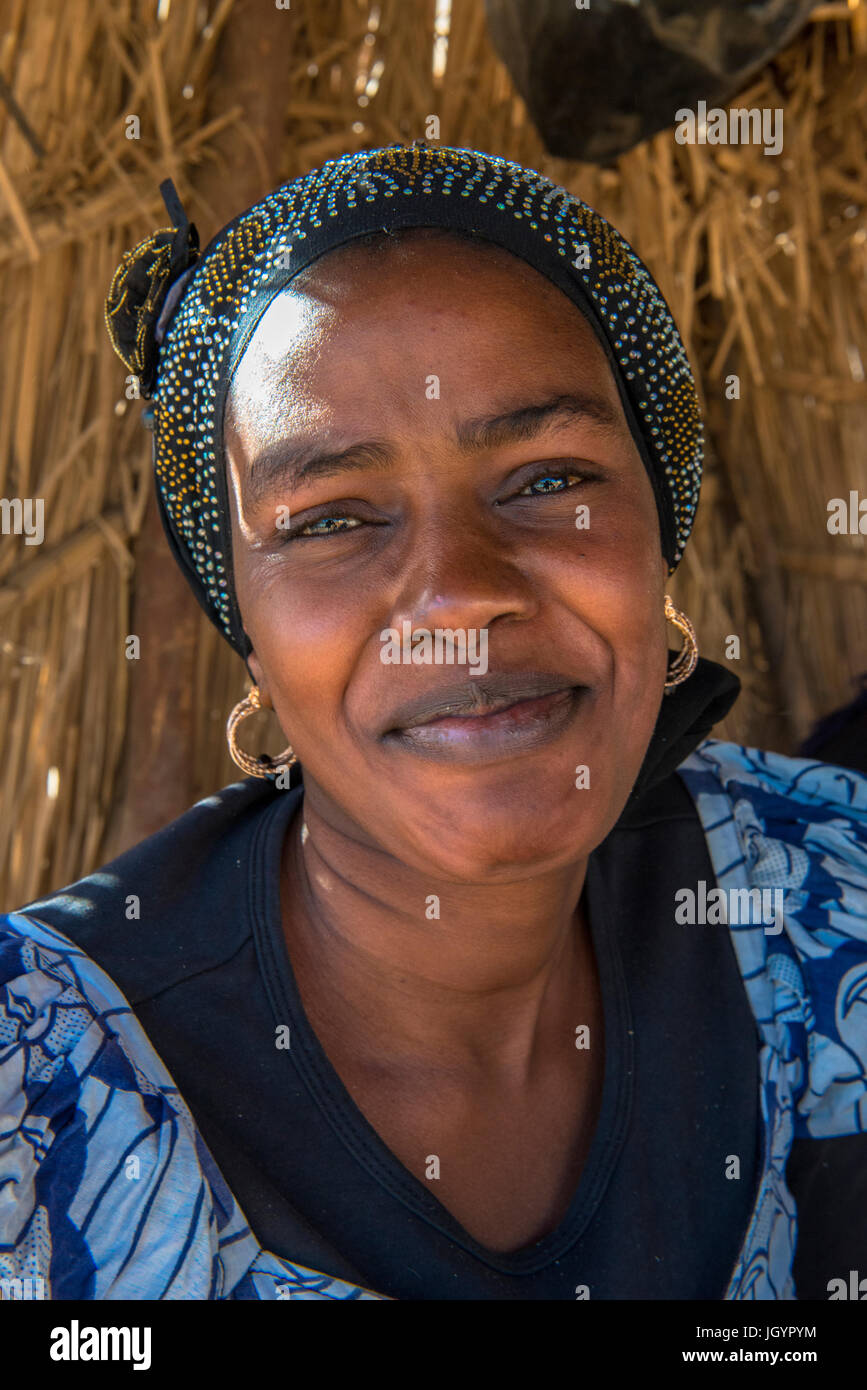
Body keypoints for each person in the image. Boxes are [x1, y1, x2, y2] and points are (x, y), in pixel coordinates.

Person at [1, 142, 865, 1301]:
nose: (460, 594)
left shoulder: (825, 892)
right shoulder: (36, 1094)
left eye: (548, 477)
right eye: (330, 519)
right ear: (246, 632)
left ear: (660, 529)